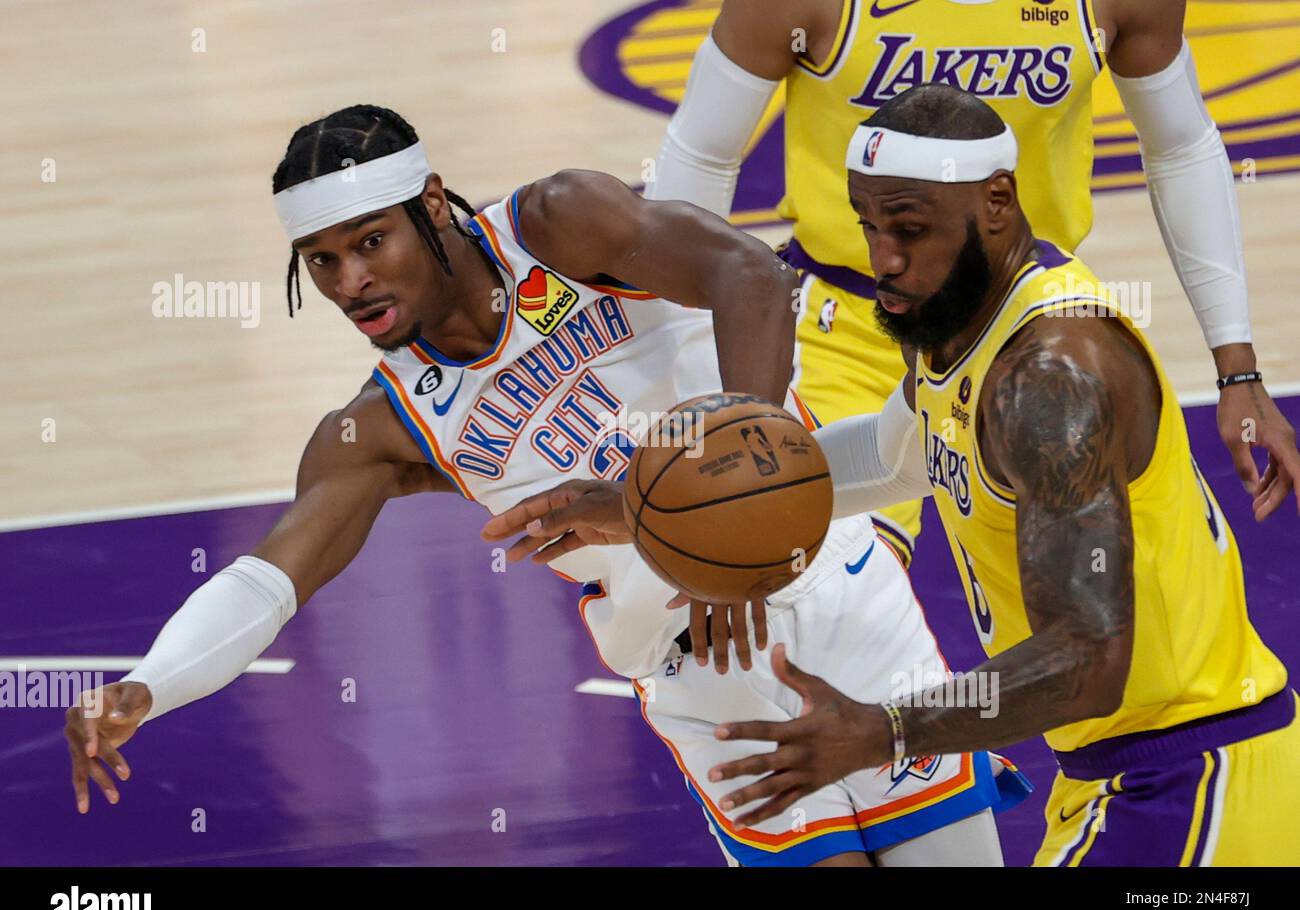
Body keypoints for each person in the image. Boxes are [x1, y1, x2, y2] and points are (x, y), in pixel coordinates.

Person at [63, 104, 1027, 867]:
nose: (351, 281)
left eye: (369, 243)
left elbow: (751, 279)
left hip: (828, 585)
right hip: (697, 668)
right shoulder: (383, 427)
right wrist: (148, 685)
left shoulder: (562, 223)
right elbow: (271, 579)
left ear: (432, 205)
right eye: (323, 262)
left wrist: (730, 502)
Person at [699, 84, 1300, 865]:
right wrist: (693, 504)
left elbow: (1086, 662)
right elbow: (891, 461)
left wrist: (882, 733)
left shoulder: (1052, 375)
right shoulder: (949, 320)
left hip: (1194, 780)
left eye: (909, 230)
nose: (881, 259)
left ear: (997, 201)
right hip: (1117, 776)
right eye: (869, 225)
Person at [645, 0, 1300, 564]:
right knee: (820, 596)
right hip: (850, 327)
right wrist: (692, 386)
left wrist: (1238, 369)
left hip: (1032, 325)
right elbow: (701, 153)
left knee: (1121, 602)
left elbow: (1182, 145)